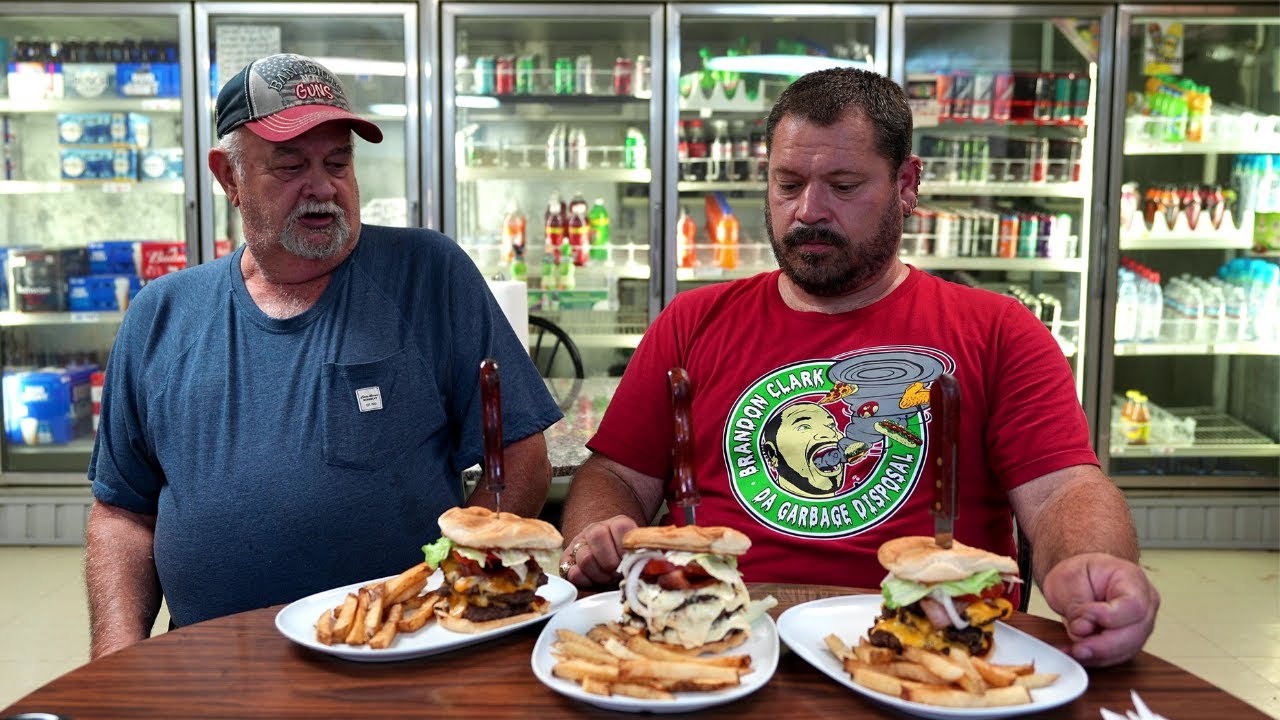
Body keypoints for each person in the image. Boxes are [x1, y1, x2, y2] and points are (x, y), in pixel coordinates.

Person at [557, 67, 1159, 667]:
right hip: (712, 642)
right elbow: (616, 475)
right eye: (788, 184)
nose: (808, 211)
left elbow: (1063, 491)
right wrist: (598, 532)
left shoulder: (998, 331)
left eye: (843, 186)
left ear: (907, 184)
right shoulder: (692, 323)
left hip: (931, 653)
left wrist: (1091, 563)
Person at [85, 53, 562, 658]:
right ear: (228, 178)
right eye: (289, 166)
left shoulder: (430, 274)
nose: (322, 187)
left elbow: (519, 453)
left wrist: (458, 591)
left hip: (404, 653)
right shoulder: (161, 314)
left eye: (338, 162)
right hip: (211, 666)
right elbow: (123, 514)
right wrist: (115, 659)